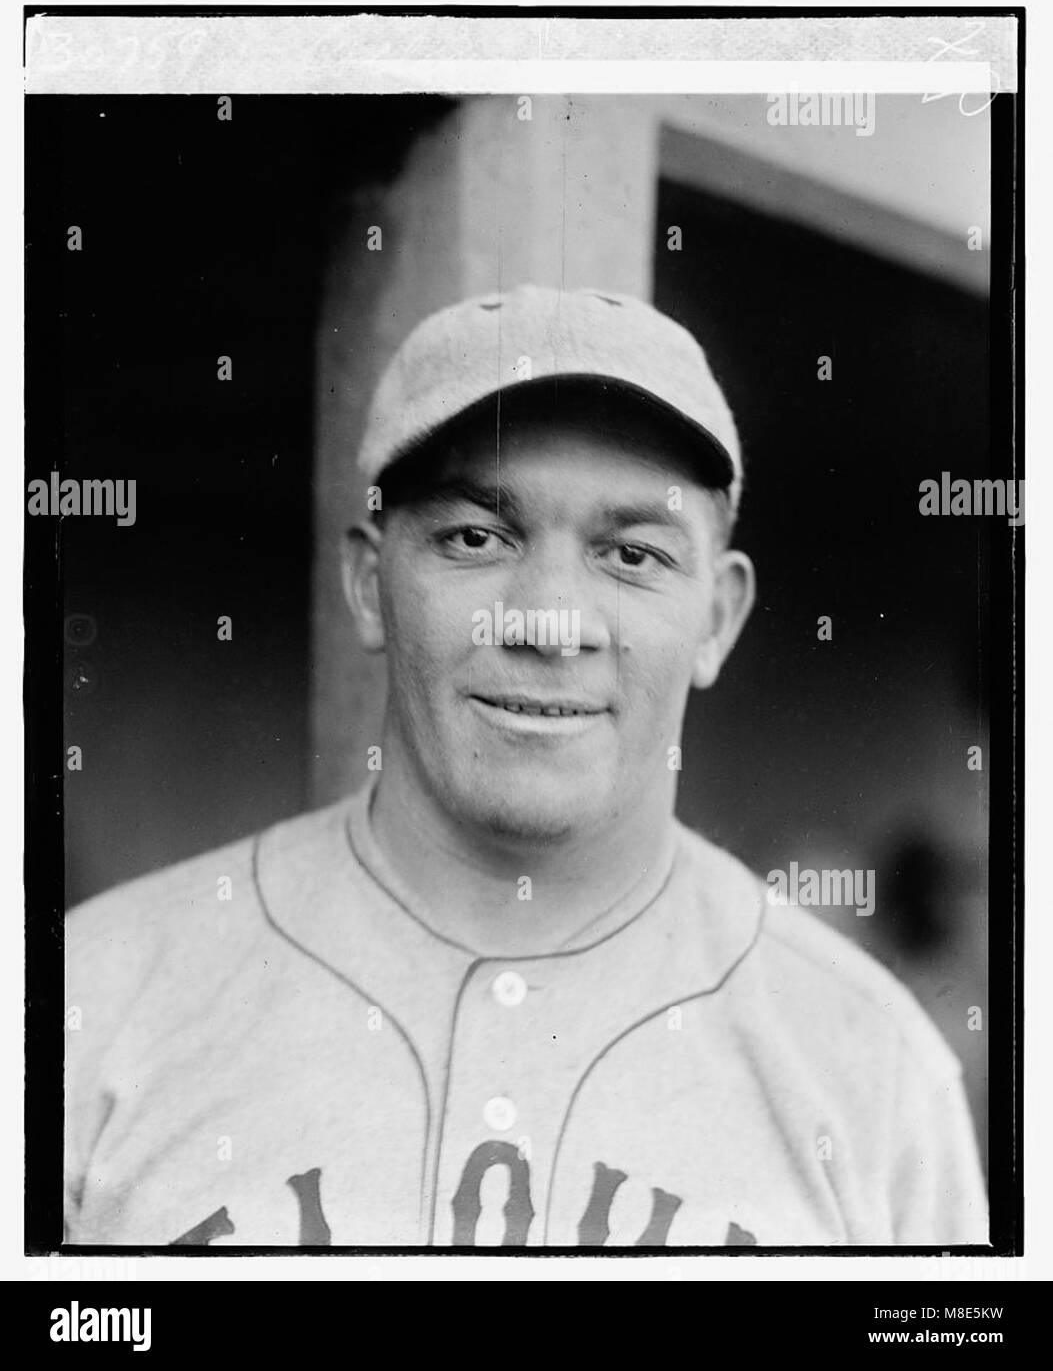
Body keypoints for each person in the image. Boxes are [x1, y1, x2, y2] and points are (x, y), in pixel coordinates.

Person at [64, 285, 988, 1248]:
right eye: (475, 538)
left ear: (716, 617)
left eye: (631, 554)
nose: (549, 620)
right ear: (368, 585)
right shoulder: (92, 997)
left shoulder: (873, 1068)